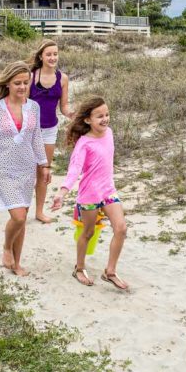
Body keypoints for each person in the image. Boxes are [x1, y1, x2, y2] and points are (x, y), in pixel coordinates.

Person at [0, 61, 49, 276]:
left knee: (22, 217)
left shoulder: (34, 107)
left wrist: (44, 166)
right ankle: (7, 248)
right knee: (19, 217)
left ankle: (16, 263)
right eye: (17, 83)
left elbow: (36, 139)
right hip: (3, 170)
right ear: (8, 83)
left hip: (27, 170)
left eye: (26, 83)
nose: (22, 87)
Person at [51, 97, 128, 290]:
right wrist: (62, 191)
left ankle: (110, 272)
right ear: (87, 120)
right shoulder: (84, 143)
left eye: (107, 115)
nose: (105, 119)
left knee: (121, 228)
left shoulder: (109, 133)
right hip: (90, 194)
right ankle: (79, 268)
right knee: (88, 232)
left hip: (108, 191)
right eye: (99, 116)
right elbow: (75, 169)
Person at [27, 39, 73, 223]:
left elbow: (64, 107)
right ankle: (20, 209)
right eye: (49, 54)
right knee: (27, 172)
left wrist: (73, 114)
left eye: (55, 54)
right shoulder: (31, 76)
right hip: (29, 130)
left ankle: (39, 212)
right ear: (41, 56)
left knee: (43, 172)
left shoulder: (63, 78)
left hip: (49, 131)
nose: (53, 57)